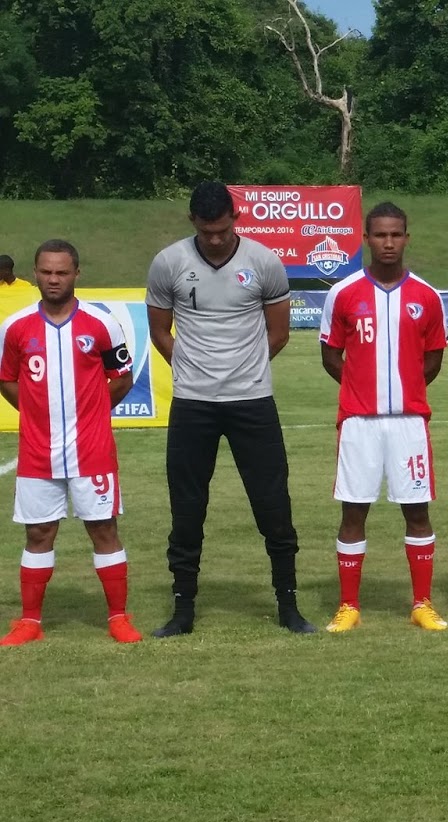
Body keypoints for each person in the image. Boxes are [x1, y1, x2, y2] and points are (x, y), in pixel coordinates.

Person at [145, 181, 309, 635]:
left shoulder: (263, 261)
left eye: (222, 230)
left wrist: (244, 370)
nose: (215, 239)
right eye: (206, 231)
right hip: (193, 404)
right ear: (192, 221)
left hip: (252, 401)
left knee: (273, 503)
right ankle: (182, 611)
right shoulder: (169, 262)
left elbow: (279, 333)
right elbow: (160, 330)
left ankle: (288, 606)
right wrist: (191, 368)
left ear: (235, 218)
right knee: (187, 506)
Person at [0, 240, 141, 645]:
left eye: (61, 272)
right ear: (36, 273)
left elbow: (123, 378)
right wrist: (34, 412)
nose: (53, 279)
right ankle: (30, 622)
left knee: (104, 529)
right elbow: (7, 379)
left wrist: (93, 413)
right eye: (46, 272)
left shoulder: (101, 324)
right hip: (37, 451)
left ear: (77, 273)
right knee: (38, 533)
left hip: (92, 448)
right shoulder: (17, 326)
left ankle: (118, 617)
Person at [319, 202, 448, 632]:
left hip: (409, 422)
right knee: (354, 512)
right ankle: (349, 606)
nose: (388, 242)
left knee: (417, 511)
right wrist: (362, 388)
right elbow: (330, 355)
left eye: (396, 234)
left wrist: (404, 388)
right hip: (359, 422)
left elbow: (433, 360)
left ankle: (422, 603)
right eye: (380, 235)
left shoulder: (426, 296)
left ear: (407, 238)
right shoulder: (344, 293)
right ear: (366, 239)